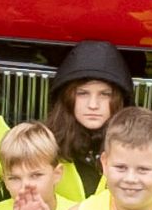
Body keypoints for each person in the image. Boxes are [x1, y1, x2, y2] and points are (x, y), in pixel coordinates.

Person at [44, 42, 134, 199]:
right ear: (67, 97)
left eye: (105, 94)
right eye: (83, 93)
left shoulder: (145, 146)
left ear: (119, 99)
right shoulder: (42, 145)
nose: (93, 105)